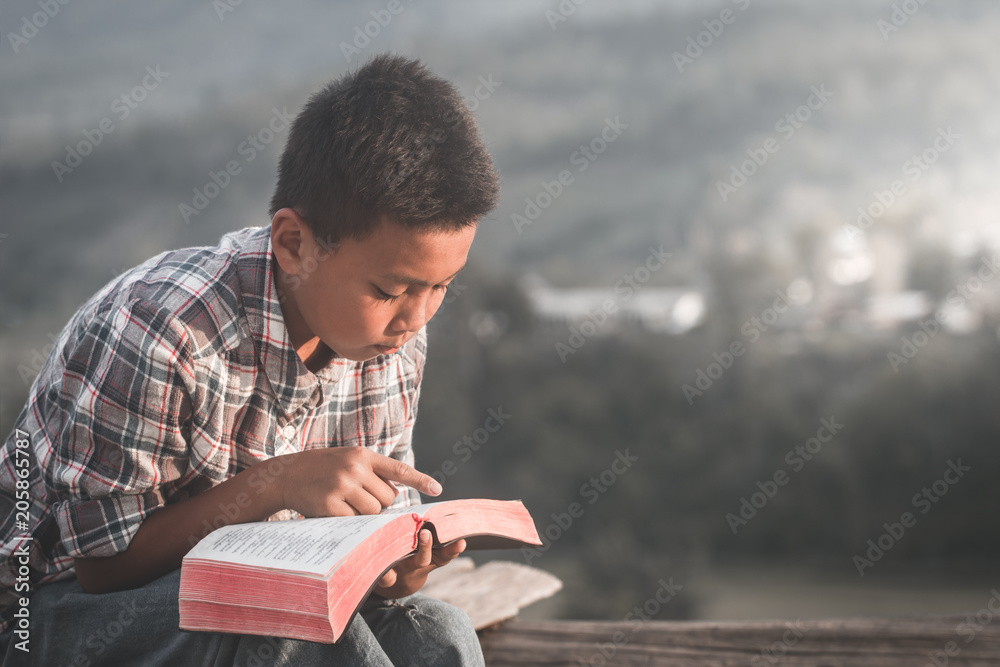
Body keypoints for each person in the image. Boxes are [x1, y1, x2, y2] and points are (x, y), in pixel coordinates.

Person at [0, 53, 500, 666]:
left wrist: (397, 569)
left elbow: (362, 552)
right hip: (50, 612)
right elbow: (102, 568)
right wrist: (276, 484)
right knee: (284, 628)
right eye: (389, 291)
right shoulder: (163, 331)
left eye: (441, 287)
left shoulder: (392, 343)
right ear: (294, 244)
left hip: (252, 603)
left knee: (437, 633)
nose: (417, 318)